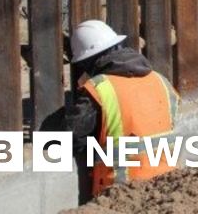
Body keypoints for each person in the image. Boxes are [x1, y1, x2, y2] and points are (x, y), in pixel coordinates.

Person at [66, 19, 180, 196]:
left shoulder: (99, 90)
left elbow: (71, 137)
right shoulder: (161, 81)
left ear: (86, 61)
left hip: (122, 193)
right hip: (168, 185)